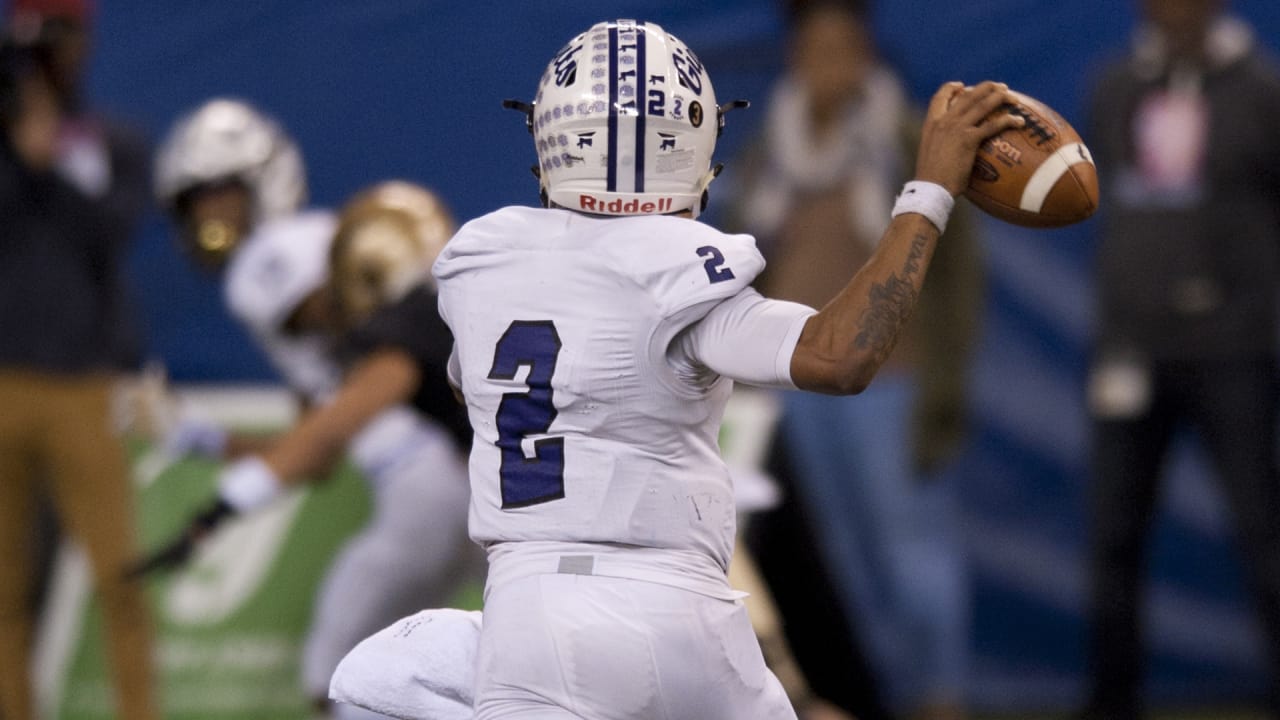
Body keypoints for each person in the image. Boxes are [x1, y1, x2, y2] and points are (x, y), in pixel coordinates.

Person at [423, 18, 1015, 720]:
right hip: (669, 607)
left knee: (383, 675)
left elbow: (472, 384)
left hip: (522, 609)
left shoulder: (479, 257)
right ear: (694, 141)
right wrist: (928, 191)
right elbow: (839, 355)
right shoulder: (686, 269)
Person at [150, 99, 477, 719]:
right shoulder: (315, 282)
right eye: (196, 201)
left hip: (425, 473)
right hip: (468, 467)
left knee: (337, 675)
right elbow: (317, 444)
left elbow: (358, 398)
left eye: (220, 192)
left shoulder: (276, 257)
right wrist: (203, 439)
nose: (208, 215)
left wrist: (227, 503)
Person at [722, 2, 984, 717]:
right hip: (796, 382)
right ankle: (878, 698)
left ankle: (939, 700)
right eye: (816, 49)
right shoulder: (767, 154)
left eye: (844, 48)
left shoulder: (906, 142)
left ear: (867, 54)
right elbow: (740, 263)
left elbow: (958, 272)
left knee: (912, 548)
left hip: (892, 382)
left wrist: (947, 381)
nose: (829, 65)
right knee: (837, 558)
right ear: (795, 57)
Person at [1080, 1, 1280, 718]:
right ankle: (1112, 700)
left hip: (1235, 352)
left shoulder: (1261, 91)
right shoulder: (1113, 89)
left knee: (1264, 534)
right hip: (1131, 350)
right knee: (1112, 539)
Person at [0, 0, 158, 717]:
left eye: (64, 38)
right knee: (4, 584)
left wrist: (51, 163)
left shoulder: (109, 142)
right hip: (3, 384)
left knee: (120, 575)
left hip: (82, 388)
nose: (53, 56)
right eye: (39, 40)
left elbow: (112, 233)